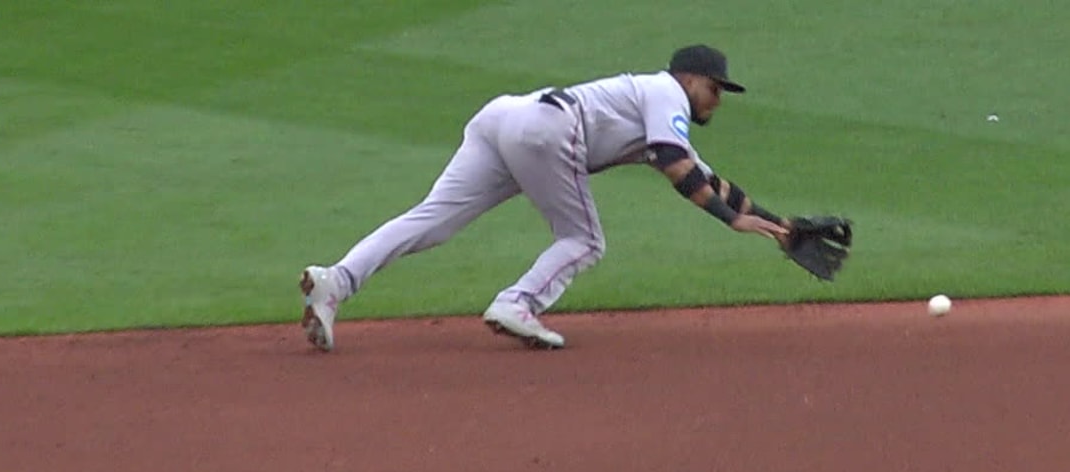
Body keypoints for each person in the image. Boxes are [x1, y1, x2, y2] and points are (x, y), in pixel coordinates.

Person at [299, 44, 790, 351]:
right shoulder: (666, 94)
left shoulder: (653, 108)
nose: (716, 100)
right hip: (546, 130)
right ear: (688, 79)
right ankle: (518, 302)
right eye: (713, 88)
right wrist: (728, 220)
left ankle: (336, 282)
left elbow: (709, 179)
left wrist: (780, 226)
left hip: (505, 119)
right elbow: (672, 162)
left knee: (433, 220)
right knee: (584, 239)